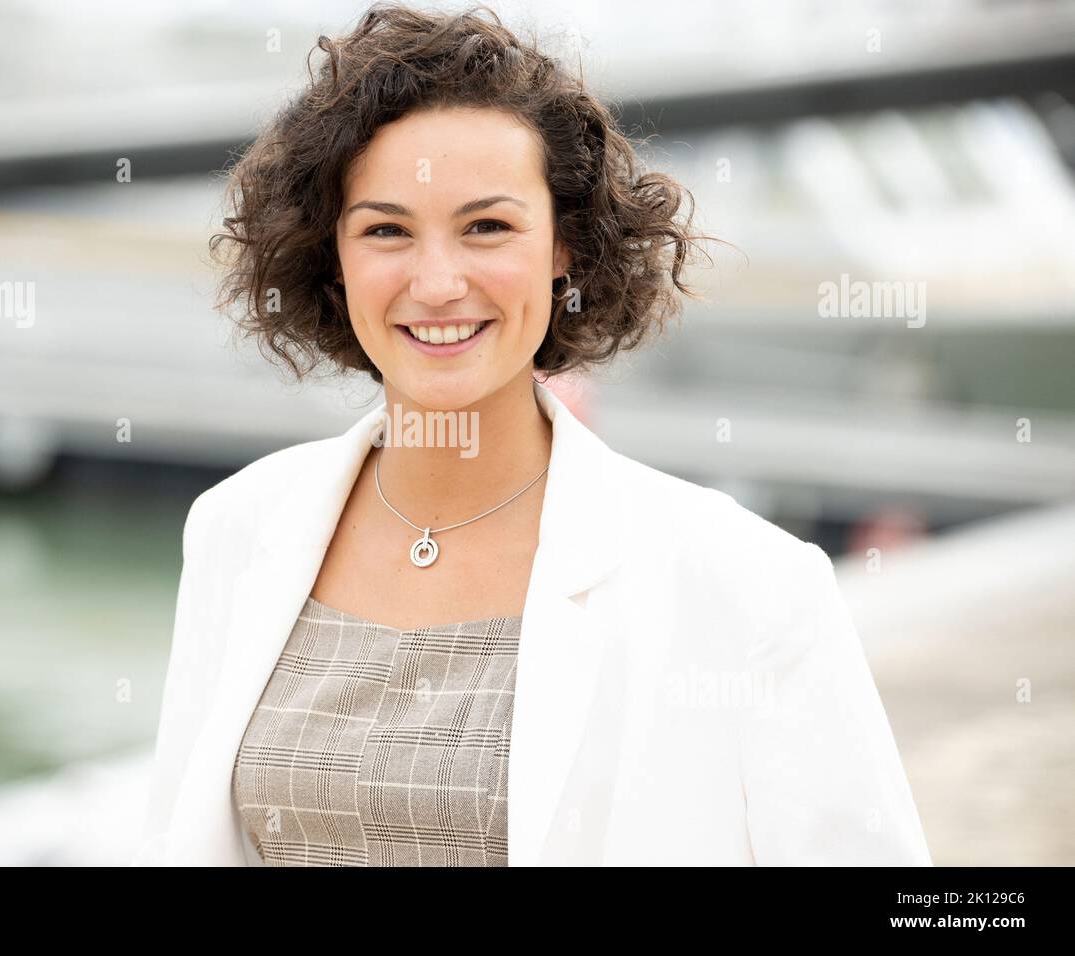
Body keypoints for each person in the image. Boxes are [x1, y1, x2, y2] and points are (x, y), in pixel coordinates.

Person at [137, 2, 932, 866]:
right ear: (332, 255)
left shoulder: (749, 587)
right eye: (386, 230)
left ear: (565, 248)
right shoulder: (235, 529)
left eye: (488, 226)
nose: (438, 282)